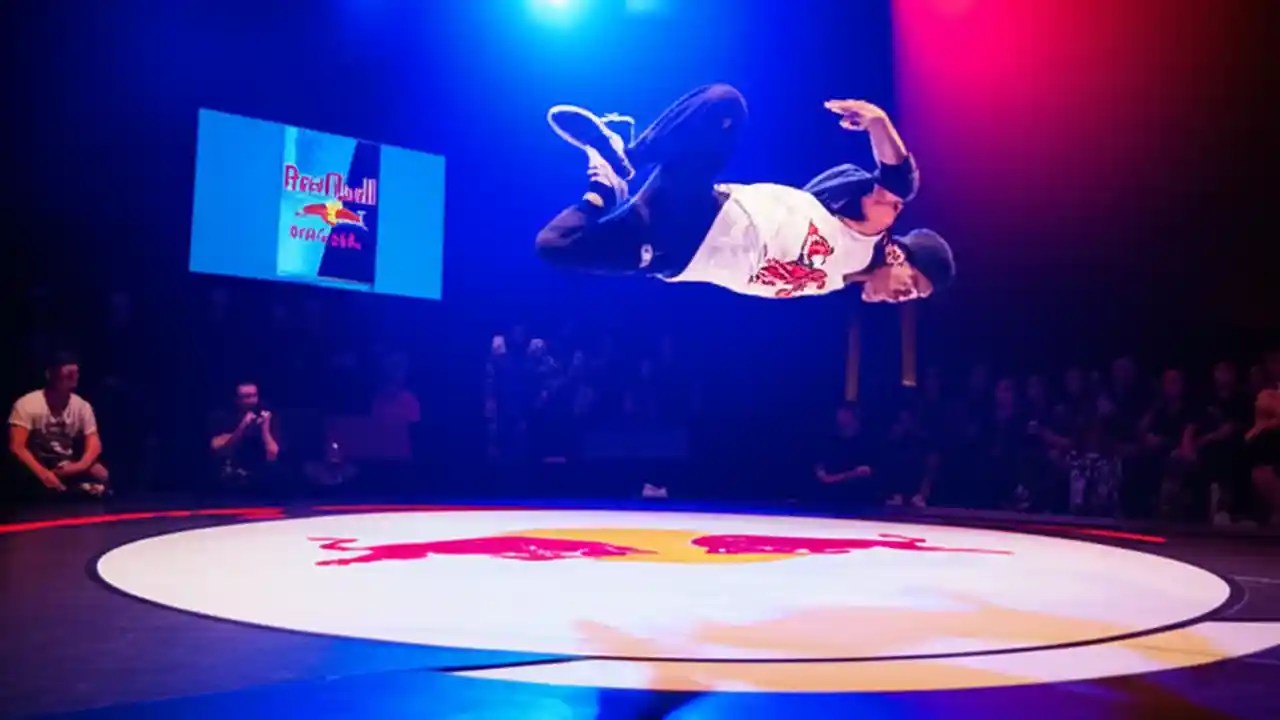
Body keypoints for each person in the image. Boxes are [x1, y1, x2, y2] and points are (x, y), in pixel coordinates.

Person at [535, 84, 954, 301]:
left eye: (914, 296)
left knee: (556, 246)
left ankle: (605, 187)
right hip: (703, 212)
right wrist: (879, 122)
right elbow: (900, 182)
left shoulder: (843, 279)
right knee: (725, 104)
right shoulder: (870, 233)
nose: (905, 297)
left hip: (673, 259)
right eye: (913, 284)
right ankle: (629, 155)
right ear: (900, 255)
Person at [7, 352, 109, 499]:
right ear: (50, 374)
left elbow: (93, 441)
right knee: (33, 484)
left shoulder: (82, 406)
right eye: (68, 373)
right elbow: (17, 447)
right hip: (37, 467)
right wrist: (43, 474)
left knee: (100, 473)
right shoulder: (28, 404)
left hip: (67, 465)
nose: (74, 376)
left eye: (76, 372)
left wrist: (81, 465)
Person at [208, 381, 280, 492]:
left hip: (260, 474)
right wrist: (242, 427)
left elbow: (273, 453)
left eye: (254, 395)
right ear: (236, 399)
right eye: (247, 397)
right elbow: (220, 448)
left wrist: (265, 430)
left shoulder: (266, 415)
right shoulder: (222, 416)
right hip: (230, 473)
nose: (252, 400)